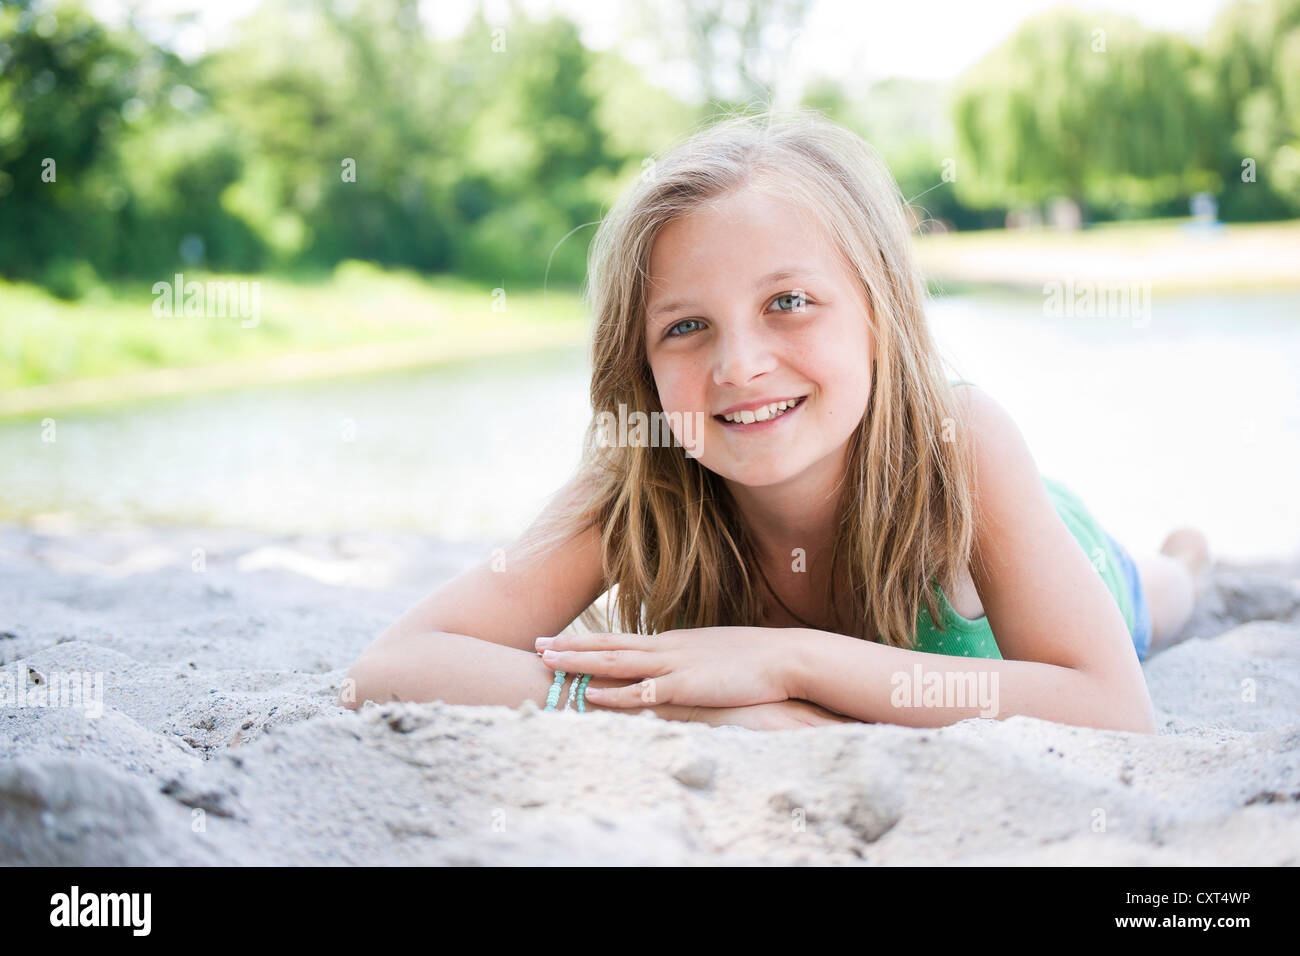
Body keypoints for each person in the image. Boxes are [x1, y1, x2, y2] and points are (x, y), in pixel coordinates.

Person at [341, 109, 1210, 733]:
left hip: (1066, 547)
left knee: (1159, 596)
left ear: (879, 315)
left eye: (788, 303)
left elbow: (1111, 707)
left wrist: (789, 662)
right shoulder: (638, 478)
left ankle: (1186, 557)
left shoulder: (965, 442)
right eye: (686, 326)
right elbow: (391, 667)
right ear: (641, 365)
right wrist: (672, 707)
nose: (739, 366)